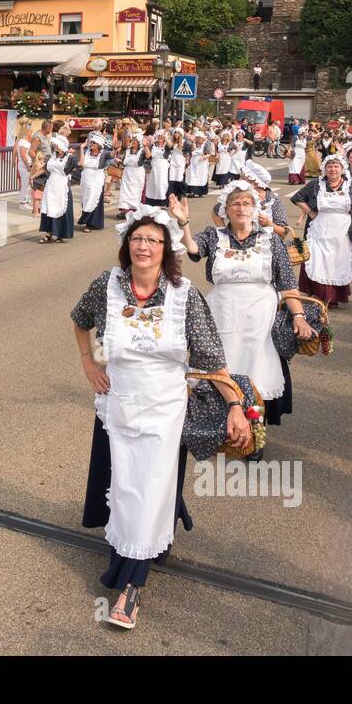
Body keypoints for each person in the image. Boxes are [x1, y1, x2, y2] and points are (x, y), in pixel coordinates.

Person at [70, 208, 249, 630]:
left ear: (166, 249)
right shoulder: (108, 285)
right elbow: (80, 321)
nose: (143, 246)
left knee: (149, 491)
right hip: (118, 405)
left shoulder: (184, 294)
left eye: (152, 240)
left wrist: (237, 406)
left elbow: (210, 359)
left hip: (165, 410)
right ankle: (135, 548)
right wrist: (89, 364)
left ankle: (130, 588)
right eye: (137, 239)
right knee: (123, 485)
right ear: (126, 245)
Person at [177, 184, 312, 447]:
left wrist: (299, 316)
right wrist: (183, 222)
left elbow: (287, 283)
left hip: (260, 319)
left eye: (246, 203)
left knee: (256, 372)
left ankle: (253, 436)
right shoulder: (214, 236)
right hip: (221, 313)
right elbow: (193, 249)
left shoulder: (270, 240)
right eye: (235, 203)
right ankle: (222, 426)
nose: (241, 208)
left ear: (255, 208)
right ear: (225, 210)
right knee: (221, 369)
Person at [292, 154, 352, 308]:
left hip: (342, 231)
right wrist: (311, 213)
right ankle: (318, 296)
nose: (333, 169)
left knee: (337, 262)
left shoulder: (351, 186)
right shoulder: (315, 184)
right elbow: (298, 197)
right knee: (319, 260)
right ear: (324, 169)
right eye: (329, 166)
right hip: (319, 229)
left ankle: (333, 297)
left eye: (336, 166)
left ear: (342, 169)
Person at [39, 135, 78, 244]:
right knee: (49, 208)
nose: (54, 146)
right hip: (51, 185)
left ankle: (60, 234)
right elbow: (45, 168)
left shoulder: (70, 158)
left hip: (62, 185)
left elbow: (78, 166)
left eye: (56, 144)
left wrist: (82, 150)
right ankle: (49, 233)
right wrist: (32, 177)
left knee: (61, 208)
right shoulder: (53, 156)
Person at [77, 134, 110, 233]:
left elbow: (111, 155)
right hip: (86, 178)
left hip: (97, 179)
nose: (91, 144)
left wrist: (115, 150)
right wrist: (82, 148)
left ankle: (90, 223)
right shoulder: (87, 152)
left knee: (94, 199)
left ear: (99, 145)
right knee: (86, 199)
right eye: (91, 142)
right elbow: (82, 163)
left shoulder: (103, 153)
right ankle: (88, 221)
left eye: (94, 143)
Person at [116, 131, 149, 212]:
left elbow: (148, 156)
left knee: (135, 192)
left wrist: (146, 147)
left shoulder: (142, 151)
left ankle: (135, 210)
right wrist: (119, 161)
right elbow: (124, 162)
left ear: (139, 142)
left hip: (137, 175)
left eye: (135, 140)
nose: (133, 142)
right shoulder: (127, 151)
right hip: (127, 174)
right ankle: (124, 211)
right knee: (125, 193)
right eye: (132, 140)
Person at [143, 130, 171, 208]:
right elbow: (148, 155)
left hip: (163, 166)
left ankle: (162, 201)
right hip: (154, 165)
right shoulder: (153, 145)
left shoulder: (166, 145)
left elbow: (171, 146)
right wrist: (145, 146)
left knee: (162, 183)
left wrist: (166, 138)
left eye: (161, 137)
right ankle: (151, 201)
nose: (160, 139)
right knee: (152, 183)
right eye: (159, 137)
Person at [184, 133, 212, 197]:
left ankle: (200, 192)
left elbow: (209, 154)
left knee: (201, 176)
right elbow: (190, 151)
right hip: (193, 161)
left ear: (203, 138)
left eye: (200, 138)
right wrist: (192, 142)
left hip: (202, 163)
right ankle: (192, 192)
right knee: (192, 176)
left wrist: (204, 157)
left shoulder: (206, 144)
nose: (199, 139)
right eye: (197, 137)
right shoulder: (193, 144)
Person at [14, 119, 34, 209]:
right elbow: (23, 155)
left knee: (27, 184)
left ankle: (25, 200)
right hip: (25, 166)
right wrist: (28, 166)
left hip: (27, 165)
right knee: (25, 184)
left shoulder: (24, 141)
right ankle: (22, 203)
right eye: (30, 130)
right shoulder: (23, 142)